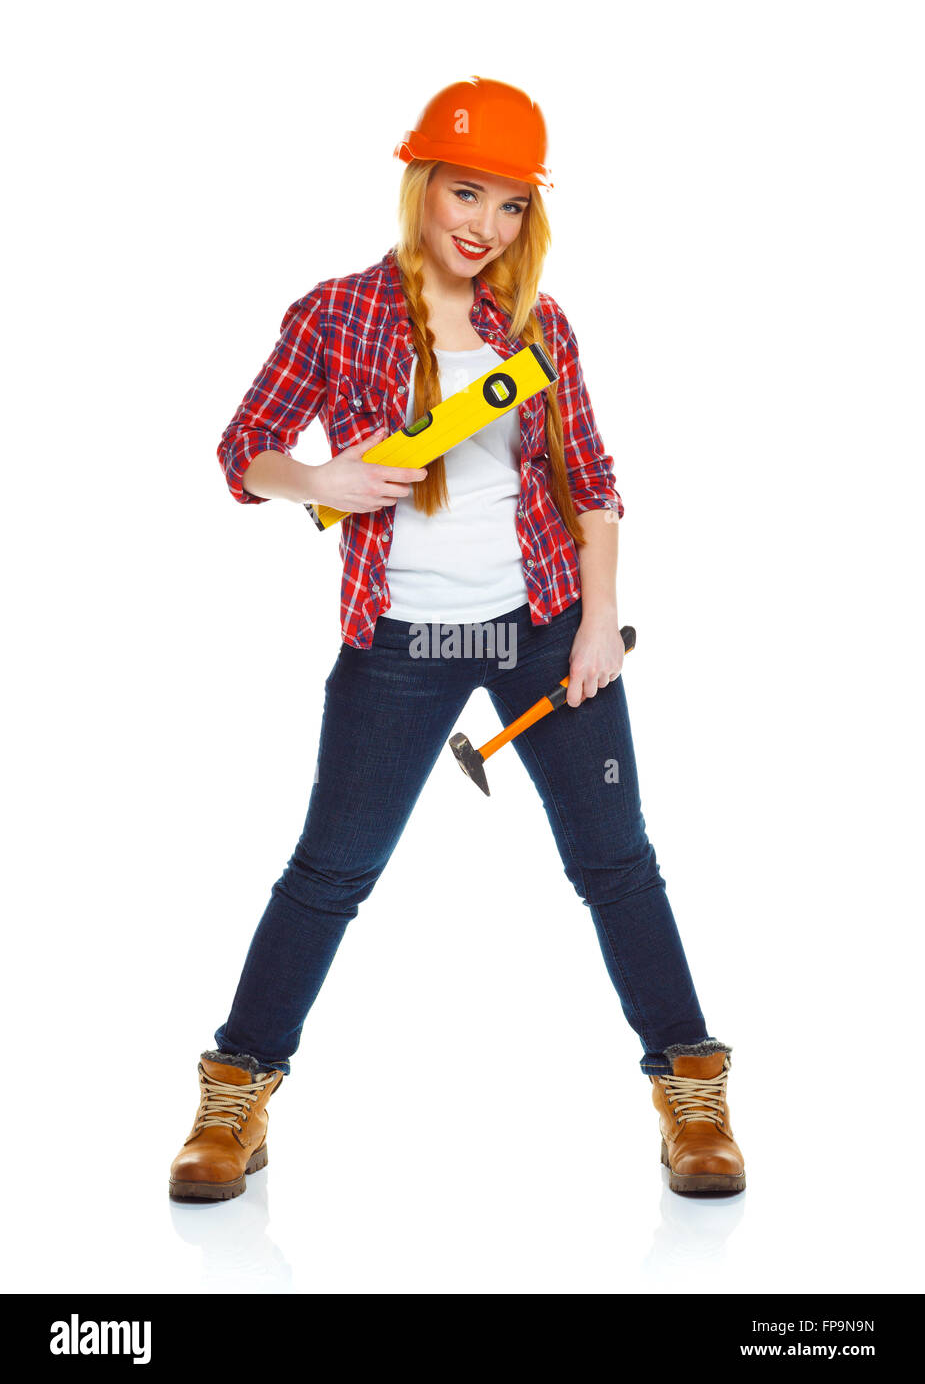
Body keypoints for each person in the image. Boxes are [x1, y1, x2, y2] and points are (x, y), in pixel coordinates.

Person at [169, 77, 746, 1203]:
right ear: (420, 185)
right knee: (330, 870)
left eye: (510, 204)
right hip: (397, 639)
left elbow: (592, 482)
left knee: (616, 862)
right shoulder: (336, 311)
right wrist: (318, 478)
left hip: (540, 630)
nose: (482, 226)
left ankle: (690, 1087)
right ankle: (235, 1093)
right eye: (463, 193)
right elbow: (242, 450)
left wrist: (593, 623)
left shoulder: (537, 327)